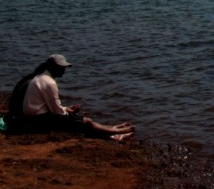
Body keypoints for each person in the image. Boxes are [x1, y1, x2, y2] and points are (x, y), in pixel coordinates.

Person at [3, 54, 135, 142]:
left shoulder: (39, 77)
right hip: (40, 120)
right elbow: (57, 111)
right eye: (61, 68)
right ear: (53, 68)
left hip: (34, 117)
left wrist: (66, 109)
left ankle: (112, 130)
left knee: (81, 122)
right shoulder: (49, 82)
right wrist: (67, 113)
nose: (63, 70)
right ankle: (118, 133)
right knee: (86, 122)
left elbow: (49, 105)